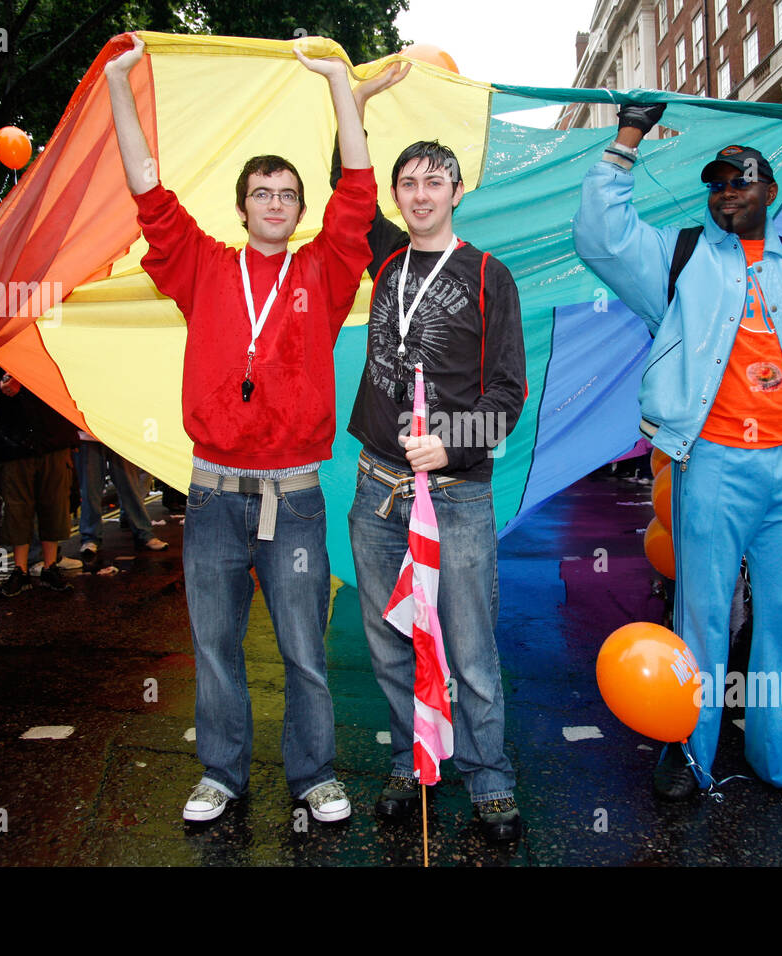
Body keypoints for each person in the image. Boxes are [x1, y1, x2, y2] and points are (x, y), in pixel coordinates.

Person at [575, 105, 782, 799]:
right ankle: (689, 746)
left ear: (769, 192)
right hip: (713, 466)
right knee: (701, 614)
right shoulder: (679, 257)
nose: (726, 189)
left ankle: (775, 750)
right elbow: (600, 236)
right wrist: (628, 138)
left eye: (741, 179)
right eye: (717, 182)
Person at [105, 36, 376, 823]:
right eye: (262, 191)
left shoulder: (323, 271)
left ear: (299, 206)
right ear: (242, 204)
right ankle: (221, 774)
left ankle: (314, 774)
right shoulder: (202, 265)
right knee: (216, 651)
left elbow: (357, 192)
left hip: (292, 499)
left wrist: (337, 84)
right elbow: (147, 188)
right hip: (214, 494)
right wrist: (122, 85)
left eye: (288, 192)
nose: (276, 202)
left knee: (304, 653)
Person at [337, 70, 528, 842]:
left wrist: (450, 443)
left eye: (434, 181)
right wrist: (353, 100)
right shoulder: (384, 259)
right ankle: (414, 757)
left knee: (472, 646)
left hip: (457, 494)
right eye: (407, 183)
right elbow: (340, 177)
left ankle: (489, 777)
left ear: (456, 192)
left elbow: (510, 400)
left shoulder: (490, 276)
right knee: (389, 637)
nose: (420, 194)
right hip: (377, 487)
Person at [0, 360, 80, 596]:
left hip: (53, 436)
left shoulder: (51, 336)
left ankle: (50, 566)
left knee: (54, 504)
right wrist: (1, 385)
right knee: (18, 508)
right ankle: (20, 569)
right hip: (14, 442)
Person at [76, 435, 168, 565]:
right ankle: (90, 537)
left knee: (130, 487)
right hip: (87, 433)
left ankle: (144, 533)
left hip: (116, 434)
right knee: (91, 490)